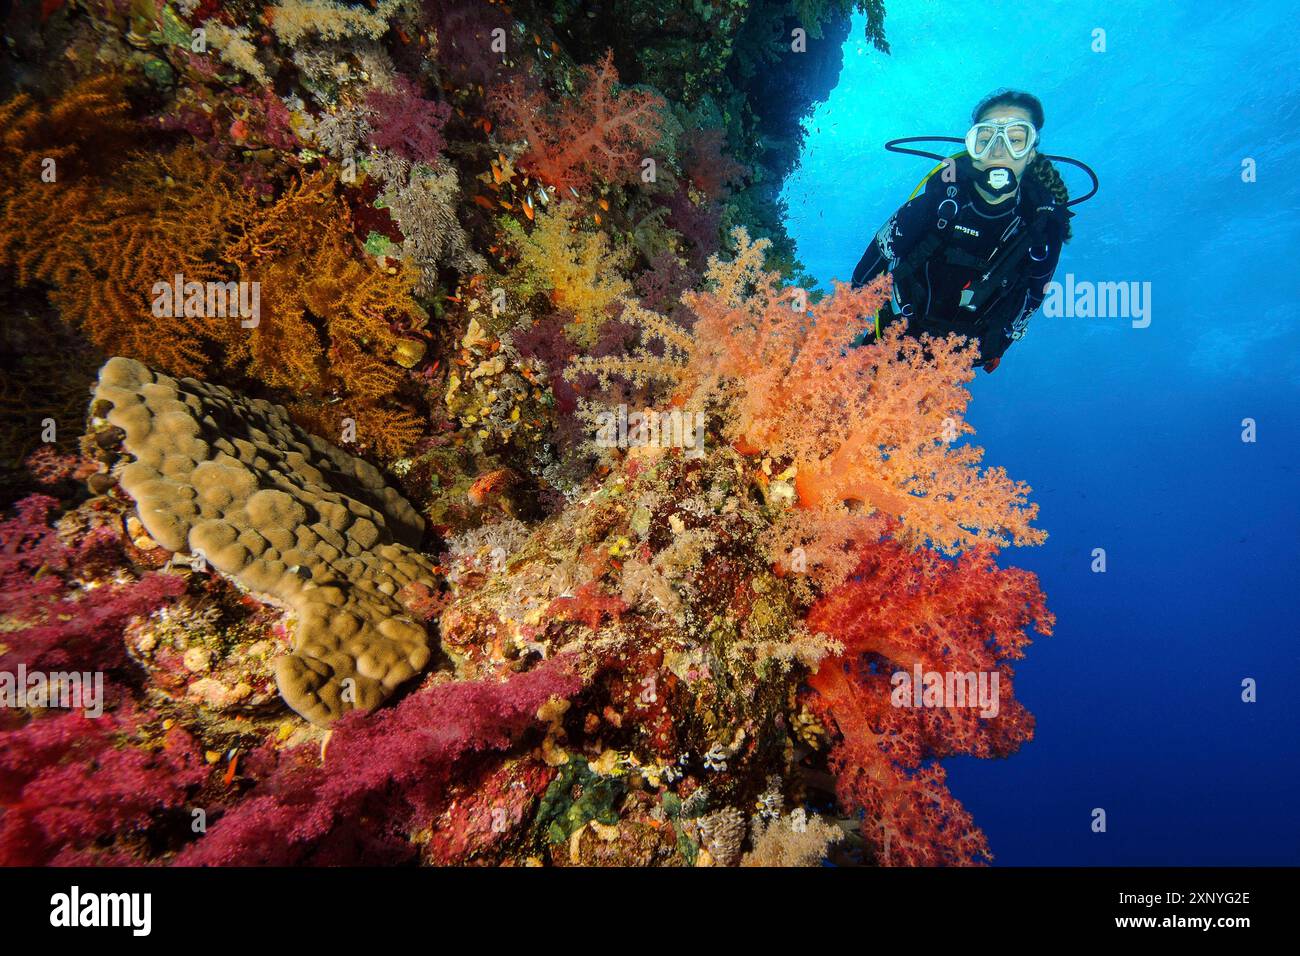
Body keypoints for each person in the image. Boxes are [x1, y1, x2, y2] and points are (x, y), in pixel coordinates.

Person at [850, 90, 1073, 371]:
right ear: (972, 148)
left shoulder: (1042, 228)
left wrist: (995, 347)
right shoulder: (937, 202)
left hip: (954, 361)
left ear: (1030, 154)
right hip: (890, 337)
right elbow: (876, 258)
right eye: (985, 138)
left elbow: (1031, 300)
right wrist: (851, 329)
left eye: (1016, 139)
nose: (999, 149)